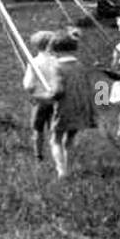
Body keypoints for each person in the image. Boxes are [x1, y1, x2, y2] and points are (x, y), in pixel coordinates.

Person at [40, 31, 95, 178]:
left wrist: (47, 95)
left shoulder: (57, 67)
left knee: (55, 139)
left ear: (54, 49)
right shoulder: (80, 65)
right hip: (81, 106)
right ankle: (69, 167)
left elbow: (58, 91)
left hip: (65, 107)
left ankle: (62, 171)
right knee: (70, 138)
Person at [21, 30, 55, 161]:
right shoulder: (57, 61)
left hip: (40, 100)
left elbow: (28, 85)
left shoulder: (34, 62)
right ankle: (57, 155)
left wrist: (32, 90)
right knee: (55, 128)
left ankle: (38, 156)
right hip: (55, 99)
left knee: (38, 128)